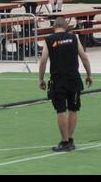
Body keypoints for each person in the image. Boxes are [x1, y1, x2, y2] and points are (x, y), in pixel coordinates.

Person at [38, 17, 93, 152]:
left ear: (54, 27)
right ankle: (70, 139)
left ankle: (65, 141)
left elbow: (43, 60)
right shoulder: (74, 38)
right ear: (66, 26)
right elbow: (84, 57)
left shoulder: (49, 39)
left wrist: (41, 79)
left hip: (58, 80)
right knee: (73, 109)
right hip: (74, 79)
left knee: (61, 110)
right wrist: (89, 74)